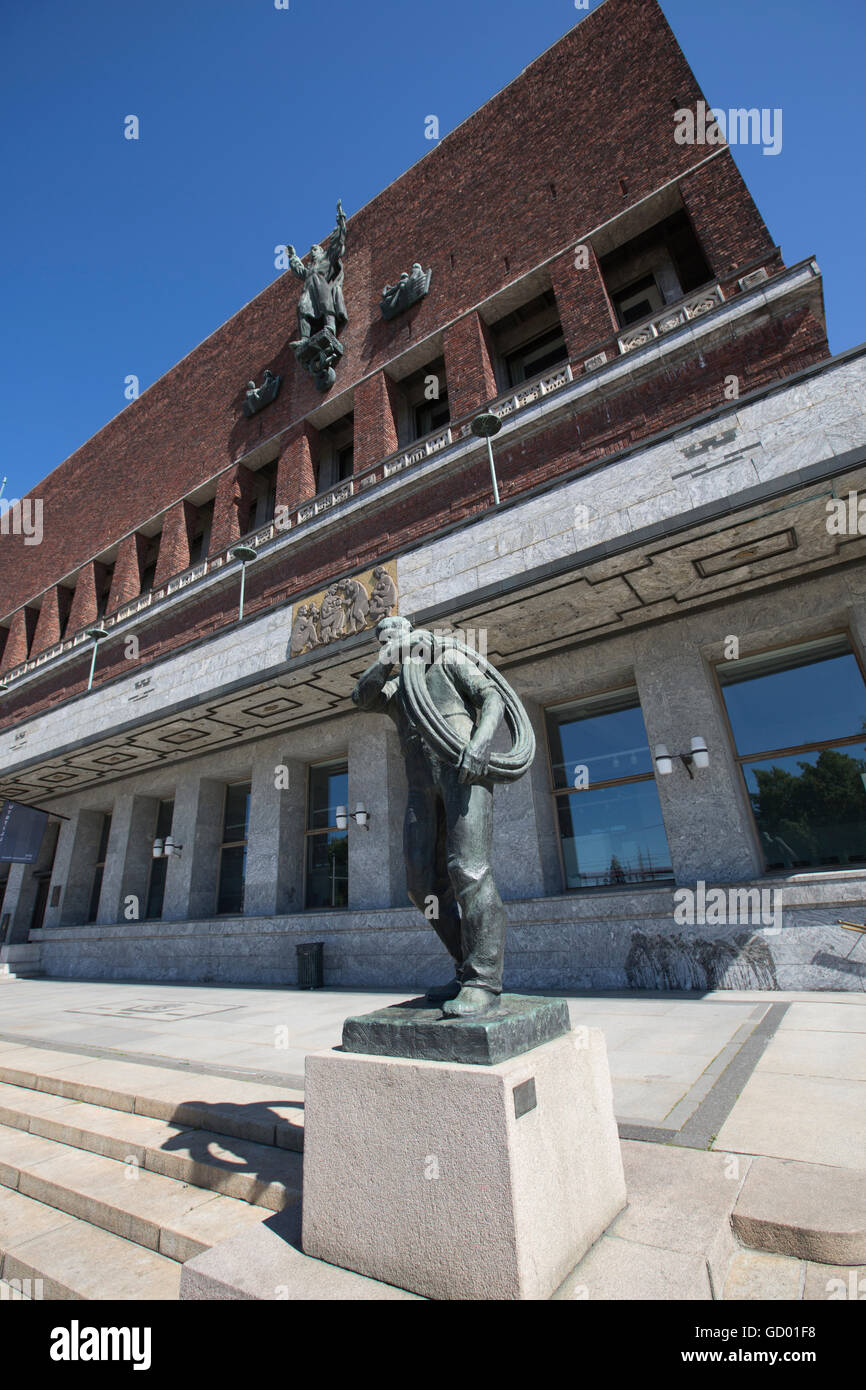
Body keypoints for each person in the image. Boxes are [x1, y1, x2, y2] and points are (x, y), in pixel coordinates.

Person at [351, 616, 507, 1018]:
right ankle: (464, 964)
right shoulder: (396, 687)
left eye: (394, 637)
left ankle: (483, 980)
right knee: (421, 884)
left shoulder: (448, 658)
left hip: (464, 771)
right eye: (382, 641)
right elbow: (360, 697)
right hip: (422, 784)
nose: (389, 643)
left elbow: (492, 698)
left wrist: (481, 742)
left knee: (468, 871)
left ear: (411, 632)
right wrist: (389, 660)